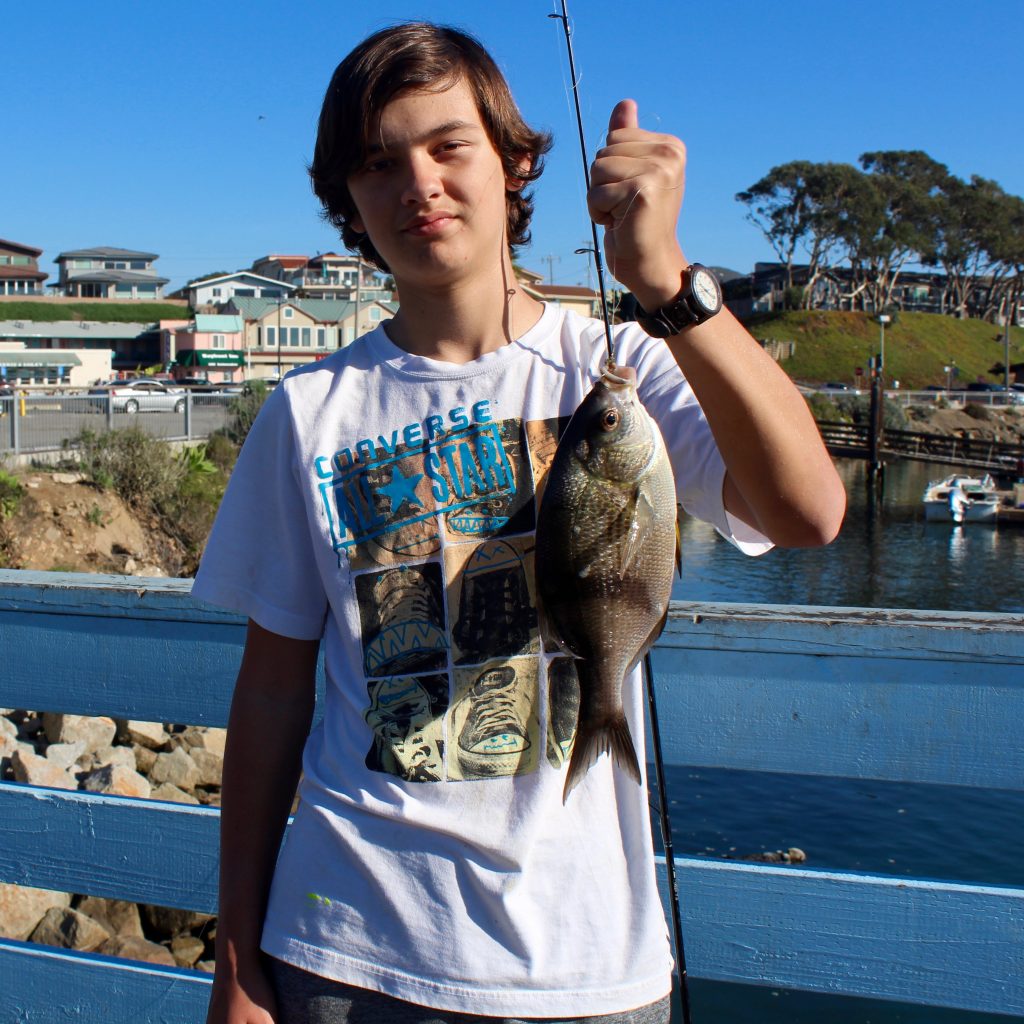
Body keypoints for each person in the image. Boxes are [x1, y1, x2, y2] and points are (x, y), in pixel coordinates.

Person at [195, 21, 846, 1024]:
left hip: (589, 964)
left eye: (449, 145)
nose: (419, 183)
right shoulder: (309, 411)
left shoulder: (630, 367)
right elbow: (274, 691)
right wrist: (237, 954)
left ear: (515, 161)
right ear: (347, 200)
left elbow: (808, 513)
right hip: (345, 948)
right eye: (378, 163)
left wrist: (668, 282)